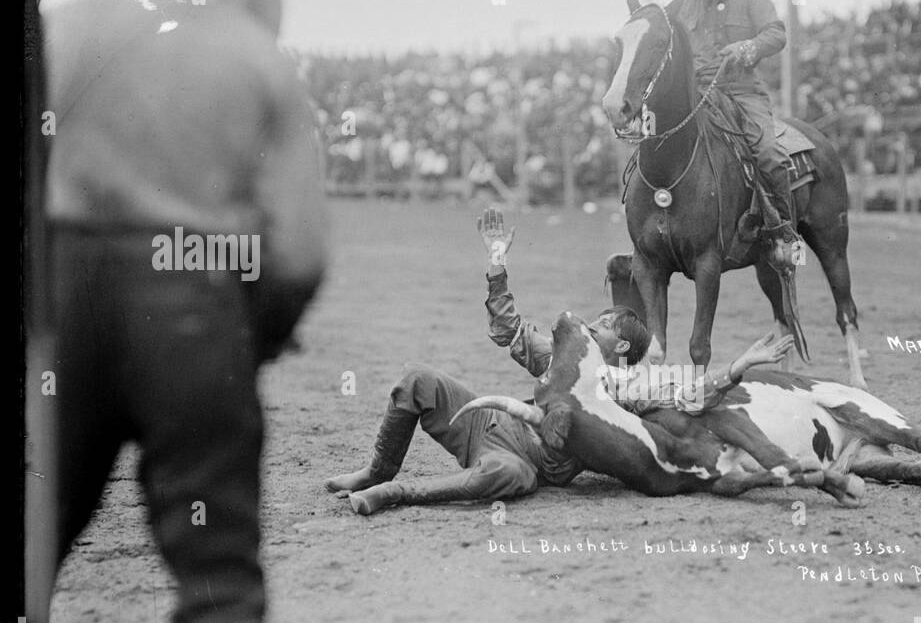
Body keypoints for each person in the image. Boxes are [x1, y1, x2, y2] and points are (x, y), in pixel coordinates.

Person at [44, 0, 327, 623]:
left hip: (59, 300)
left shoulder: (56, 29)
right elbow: (297, 257)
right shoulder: (252, 54)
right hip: (194, 311)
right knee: (217, 591)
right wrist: (258, 339)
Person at [326, 208, 793, 514]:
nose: (595, 322)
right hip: (484, 420)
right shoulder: (565, 356)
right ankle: (377, 471)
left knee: (504, 476)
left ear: (623, 348)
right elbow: (510, 330)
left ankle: (396, 494)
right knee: (417, 380)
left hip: (528, 463)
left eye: (606, 322)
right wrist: (496, 261)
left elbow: (689, 395)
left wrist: (741, 365)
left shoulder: (627, 393)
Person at [665, 0, 804, 267]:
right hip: (698, 94)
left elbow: (777, 34)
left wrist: (744, 48)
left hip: (741, 91)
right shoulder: (685, 2)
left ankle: (786, 234)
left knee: (768, 154)